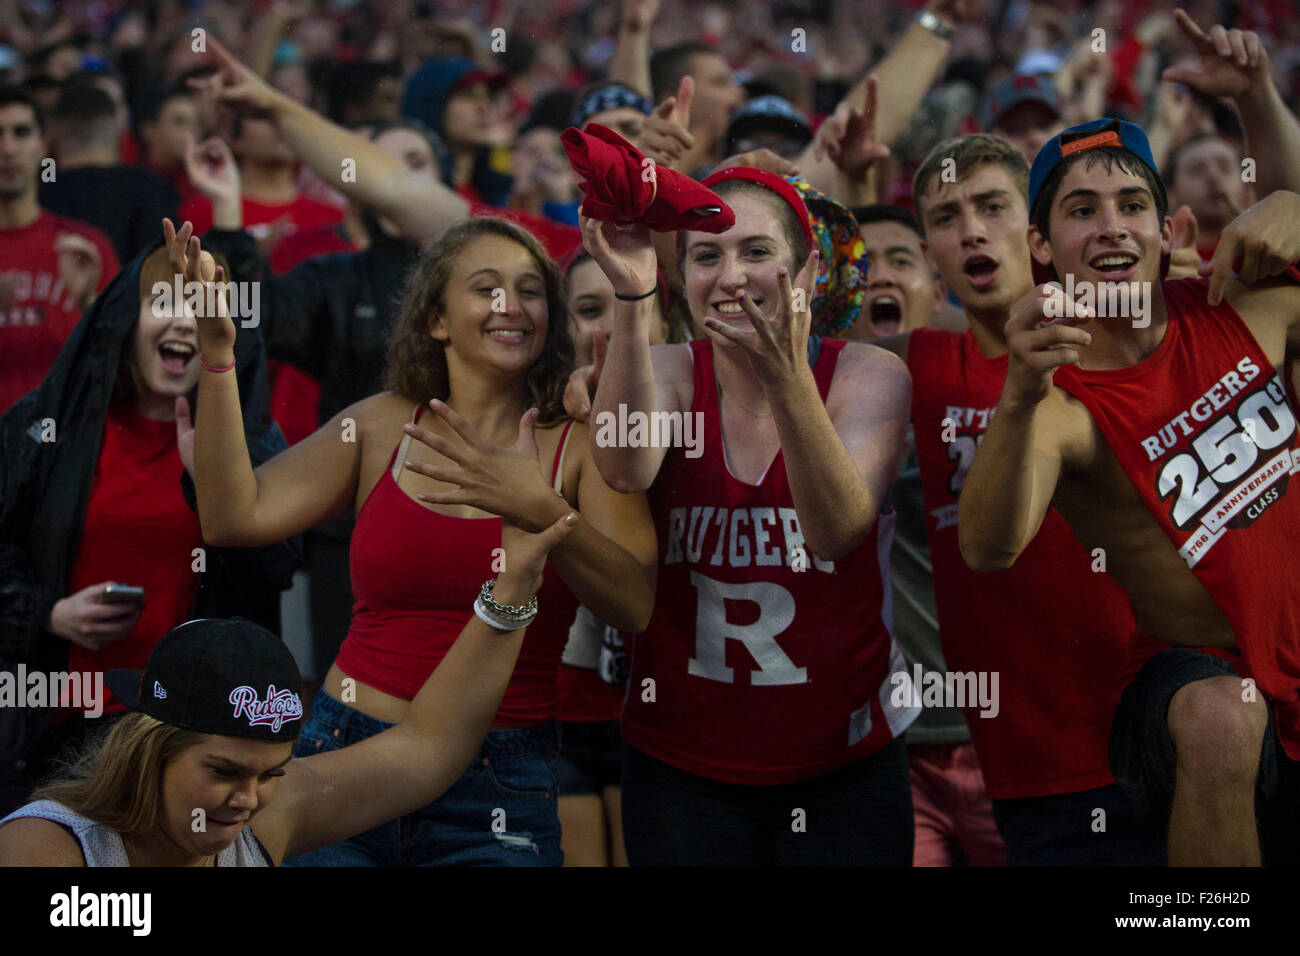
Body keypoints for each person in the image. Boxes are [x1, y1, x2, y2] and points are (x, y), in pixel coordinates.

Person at [179, 211, 657, 866]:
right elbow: (233, 516)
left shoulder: (581, 440)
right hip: (340, 753)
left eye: (529, 290)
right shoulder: (379, 425)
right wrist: (217, 357)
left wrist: (541, 508)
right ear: (435, 319)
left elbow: (634, 603)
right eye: (486, 287)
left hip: (499, 777)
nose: (510, 306)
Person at [958, 117, 1300, 865]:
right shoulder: (1057, 400)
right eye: (1081, 211)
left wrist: (1298, 204)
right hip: (1201, 675)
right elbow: (987, 547)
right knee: (1222, 716)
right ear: (1041, 248)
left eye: (1130, 205)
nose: (1112, 227)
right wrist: (1017, 394)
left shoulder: (1245, 305)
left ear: (1162, 224)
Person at [578, 165, 916, 865]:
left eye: (757, 252)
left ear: (809, 271)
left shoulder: (868, 375)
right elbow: (622, 465)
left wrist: (788, 377)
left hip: (844, 764)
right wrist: (634, 290)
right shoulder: (669, 370)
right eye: (706, 255)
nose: (731, 275)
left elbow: (837, 528)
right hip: (683, 767)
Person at [0, 510, 580, 866]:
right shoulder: (49, 846)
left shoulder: (259, 824)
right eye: (225, 771)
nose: (249, 800)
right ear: (148, 749)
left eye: (271, 773)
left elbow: (431, 746)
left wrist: (511, 590)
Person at [0, 239, 297, 818]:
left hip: (188, 733)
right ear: (124, 318)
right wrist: (48, 613)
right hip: (57, 721)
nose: (185, 320)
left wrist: (209, 481)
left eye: (203, 306)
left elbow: (276, 573)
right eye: (164, 300)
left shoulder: (252, 443)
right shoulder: (43, 428)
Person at [0, 84, 120, 413]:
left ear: (43, 145)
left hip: (63, 448)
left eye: (21, 132)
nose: (7, 148)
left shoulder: (86, 249)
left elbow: (124, 362)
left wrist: (88, 302)